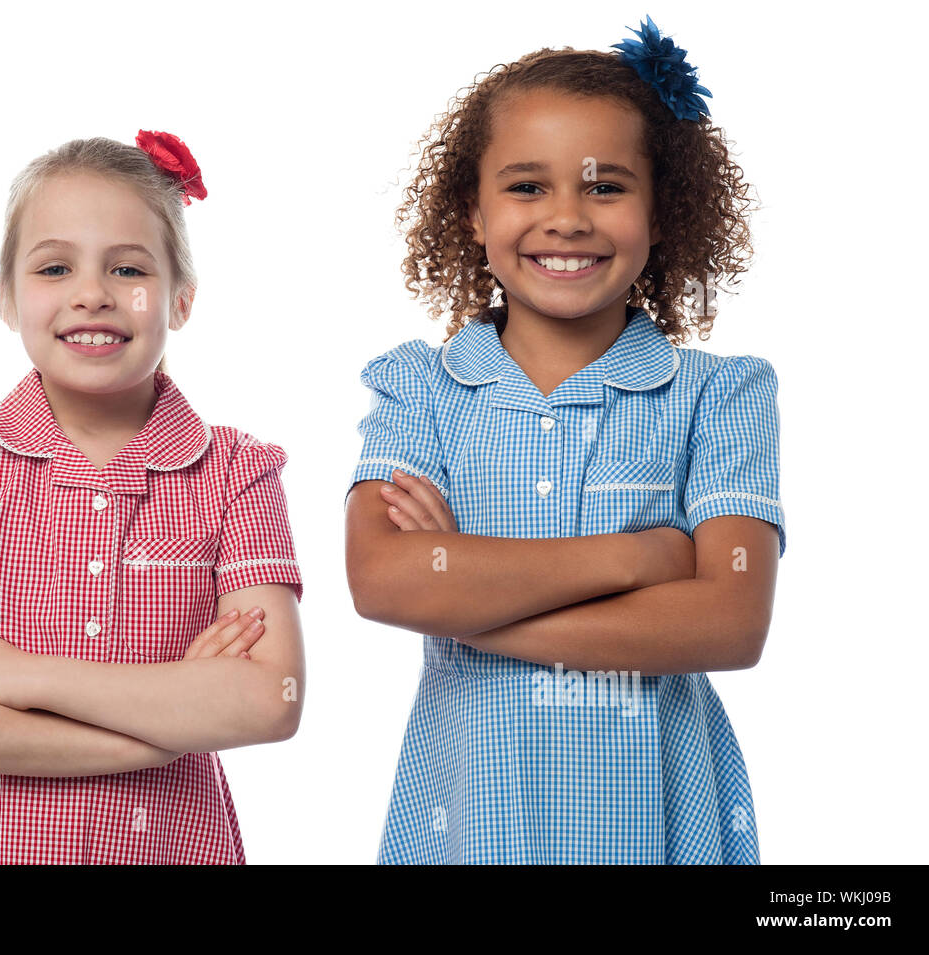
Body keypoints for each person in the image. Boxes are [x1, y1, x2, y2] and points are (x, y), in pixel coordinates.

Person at [344, 16, 784, 864]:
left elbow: (731, 620)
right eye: (527, 187)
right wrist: (643, 557)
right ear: (472, 212)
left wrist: (468, 603)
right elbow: (385, 578)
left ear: (662, 214)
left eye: (607, 187)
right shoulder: (418, 388)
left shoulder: (721, 395)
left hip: (657, 829)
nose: (568, 218)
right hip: (468, 827)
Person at [0, 130, 305, 864]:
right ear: (6, 296)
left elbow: (270, 698)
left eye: (129, 268)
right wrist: (164, 720)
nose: (92, 293)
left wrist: (29, 677)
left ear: (181, 298)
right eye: (55, 266)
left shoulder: (237, 470)